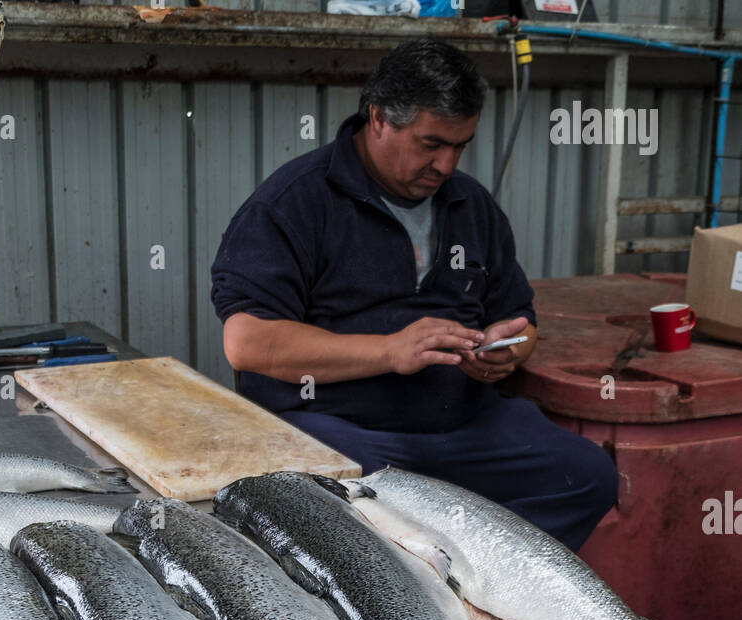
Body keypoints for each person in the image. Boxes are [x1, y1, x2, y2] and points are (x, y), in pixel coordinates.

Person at [211, 37, 617, 552]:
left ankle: (473, 587)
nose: (446, 165)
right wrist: (388, 351)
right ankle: (419, 594)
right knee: (336, 498)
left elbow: (519, 316)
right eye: (431, 144)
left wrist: (507, 350)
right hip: (339, 427)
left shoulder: (472, 205)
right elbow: (246, 343)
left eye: (460, 146)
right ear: (379, 119)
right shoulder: (295, 202)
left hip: (464, 427)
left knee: (585, 475)